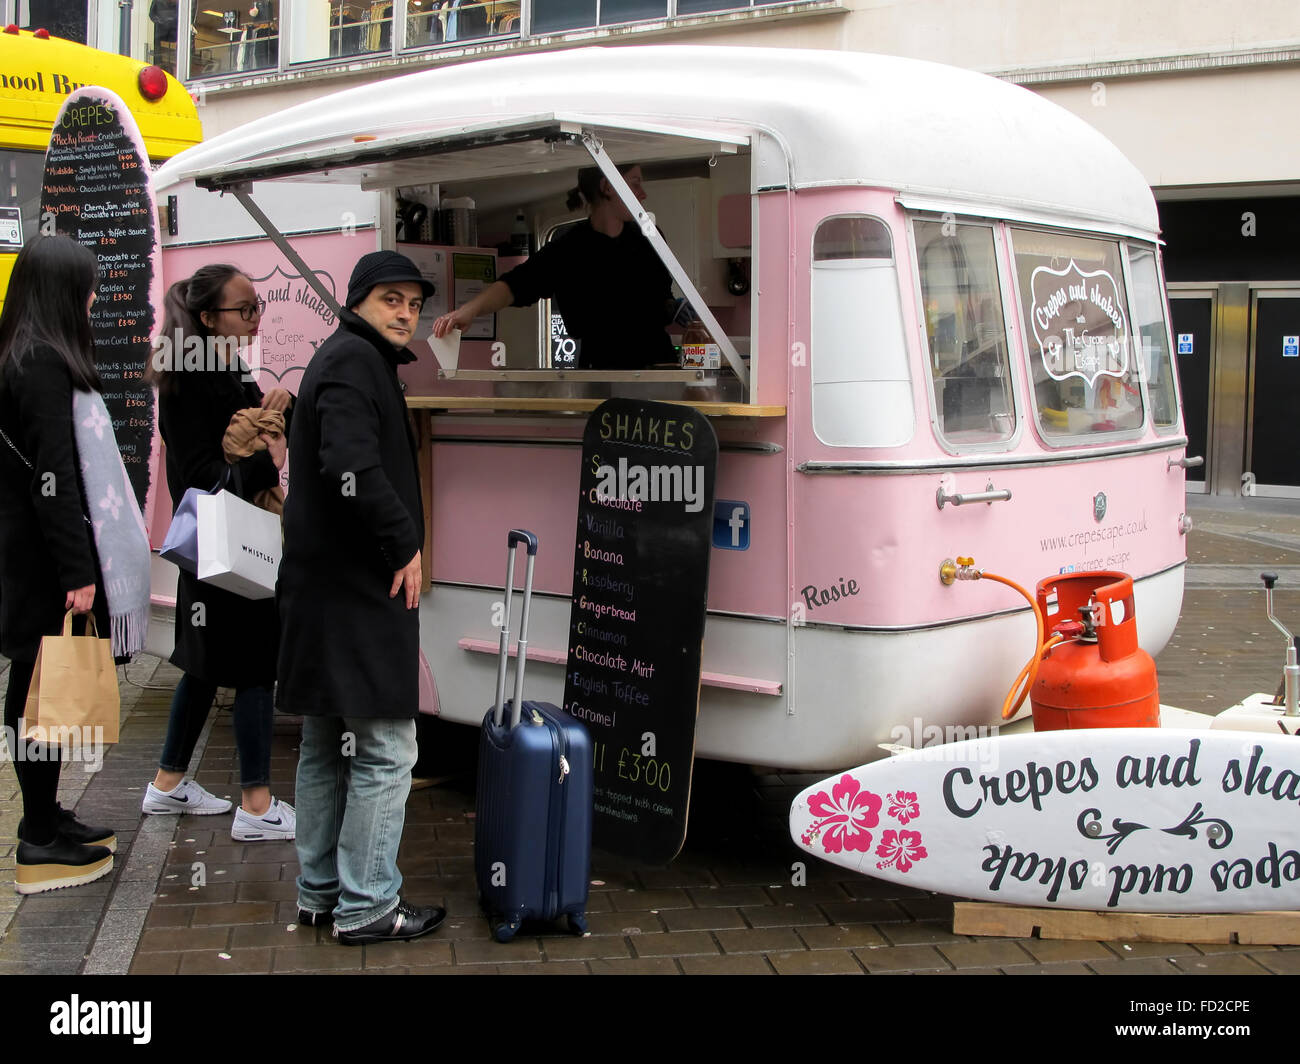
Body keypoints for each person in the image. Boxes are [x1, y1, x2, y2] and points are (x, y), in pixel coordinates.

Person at [278, 250, 445, 944]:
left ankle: (320, 894)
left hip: (322, 587)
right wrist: (403, 541)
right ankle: (370, 904)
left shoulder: (350, 355)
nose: (405, 312)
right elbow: (347, 464)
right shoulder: (352, 361)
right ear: (358, 301)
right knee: (386, 749)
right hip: (354, 589)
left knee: (324, 740)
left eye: (413, 302)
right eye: (391, 300)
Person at [0, 235, 151, 893]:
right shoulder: (40, 362)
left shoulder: (22, 351)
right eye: (87, 286)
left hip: (26, 548)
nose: (93, 298)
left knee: (38, 684)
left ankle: (45, 815)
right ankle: (37, 840)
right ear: (62, 292)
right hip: (38, 556)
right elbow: (53, 475)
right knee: (39, 688)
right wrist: (77, 573)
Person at [142, 265, 296, 843]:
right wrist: (267, 462)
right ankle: (256, 806)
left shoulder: (220, 366)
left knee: (205, 666)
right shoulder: (192, 381)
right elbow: (197, 478)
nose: (256, 318)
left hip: (219, 545)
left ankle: (167, 783)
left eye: (259, 307)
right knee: (255, 664)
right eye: (245, 309)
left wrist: (285, 408)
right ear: (208, 318)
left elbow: (258, 424)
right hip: (224, 541)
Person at [431, 163, 675, 370]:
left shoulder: (650, 239)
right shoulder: (569, 248)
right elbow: (515, 285)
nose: (643, 194)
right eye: (635, 183)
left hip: (659, 369)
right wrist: (469, 310)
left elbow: (666, 301)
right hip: (602, 373)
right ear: (608, 187)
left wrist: (682, 311)